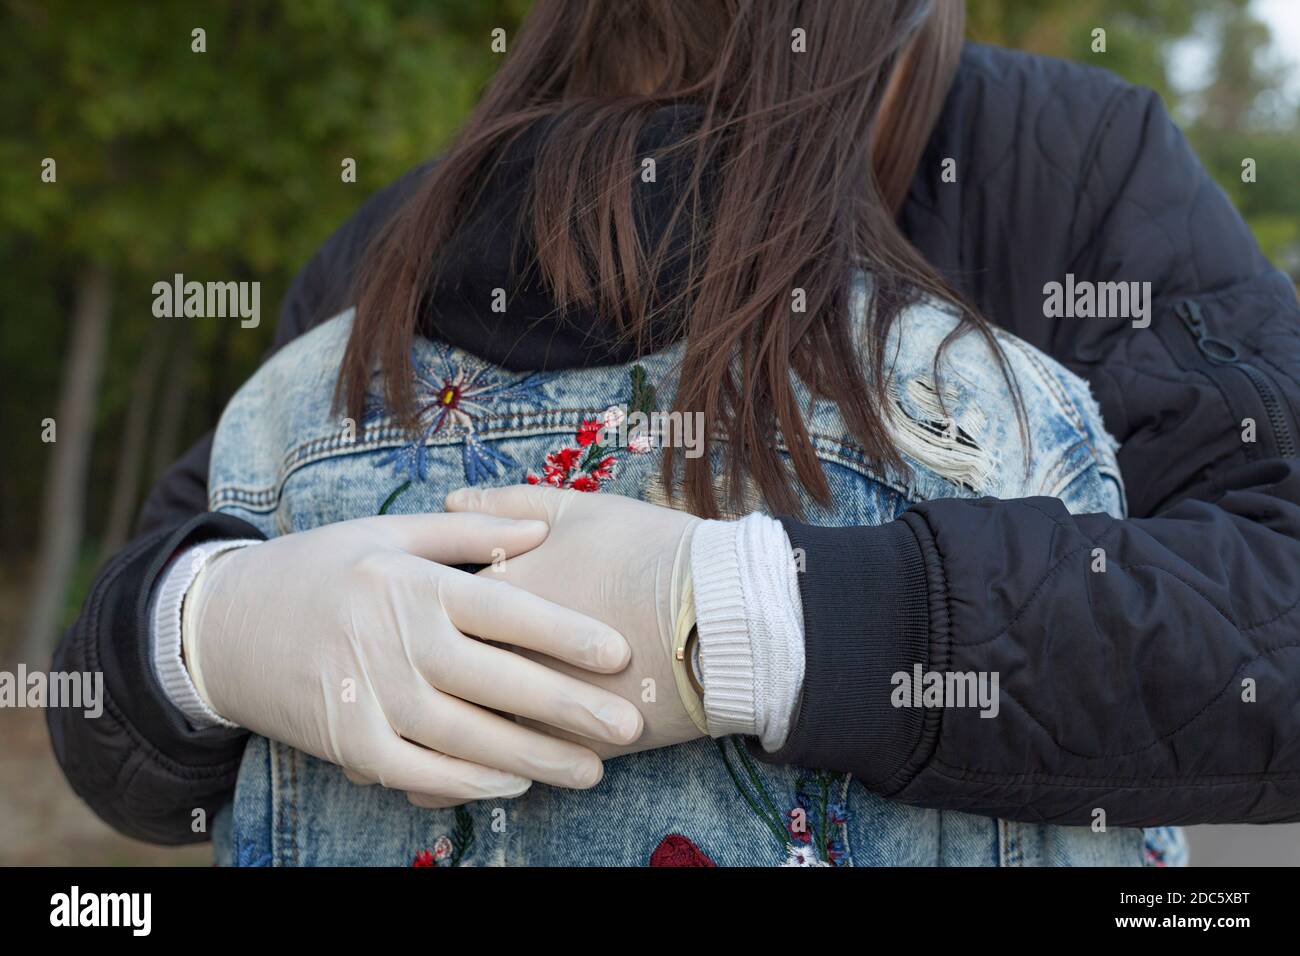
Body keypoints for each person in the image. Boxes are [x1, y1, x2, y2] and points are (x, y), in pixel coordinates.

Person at [48, 0, 1300, 863]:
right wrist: (199, 627)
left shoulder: (1065, 168)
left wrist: (766, 616)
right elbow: (107, 707)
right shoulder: (404, 245)